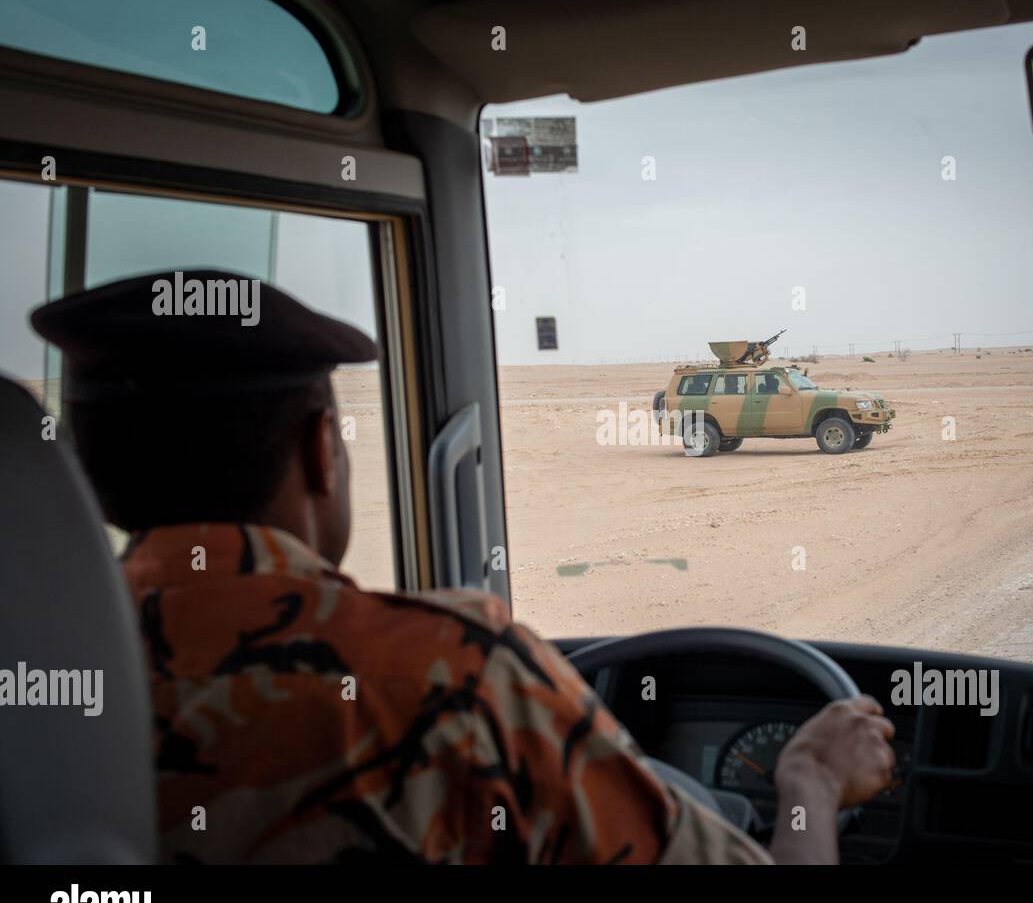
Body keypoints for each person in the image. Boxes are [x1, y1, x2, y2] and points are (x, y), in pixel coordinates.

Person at [31, 270, 895, 864]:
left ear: (90, 471)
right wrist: (809, 783)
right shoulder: (457, 672)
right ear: (320, 454)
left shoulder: (35, 685)